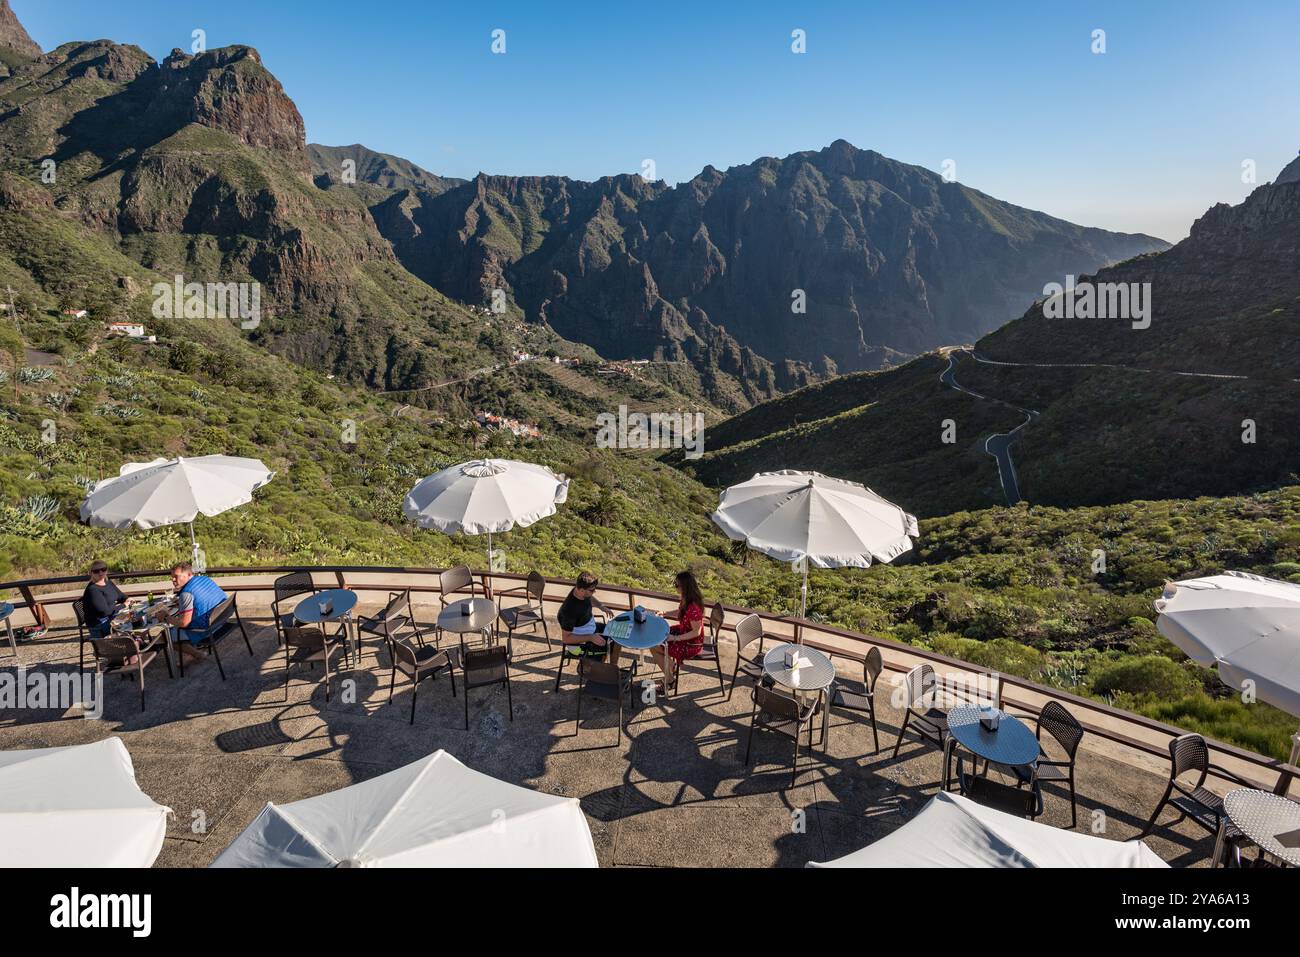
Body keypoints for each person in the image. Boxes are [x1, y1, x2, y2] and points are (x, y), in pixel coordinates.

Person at [157, 561, 229, 666]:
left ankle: (198, 654)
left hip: (208, 629)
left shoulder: (186, 593)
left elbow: (184, 623)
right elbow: (205, 597)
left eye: (176, 576)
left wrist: (166, 617)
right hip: (222, 619)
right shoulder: (204, 579)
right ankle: (192, 652)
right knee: (179, 627)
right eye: (172, 577)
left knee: (165, 636)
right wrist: (183, 603)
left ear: (189, 574)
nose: (173, 580)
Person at [651, 571, 706, 692]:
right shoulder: (687, 598)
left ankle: (670, 680)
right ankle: (671, 666)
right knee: (655, 640)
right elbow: (680, 612)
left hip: (691, 643)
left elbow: (696, 632)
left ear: (685, 586)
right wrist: (665, 613)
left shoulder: (694, 607)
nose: (675, 587)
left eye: (677, 585)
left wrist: (674, 638)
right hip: (683, 632)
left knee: (655, 646)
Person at [558, 571, 612, 657]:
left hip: (590, 629)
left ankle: (606, 663)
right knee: (612, 646)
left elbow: (590, 598)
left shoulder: (579, 591)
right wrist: (591, 637)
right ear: (582, 590)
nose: (594, 592)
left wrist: (601, 606)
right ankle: (603, 667)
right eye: (592, 590)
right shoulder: (569, 611)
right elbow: (566, 639)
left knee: (616, 635)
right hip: (578, 647)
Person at [81, 560, 126, 639]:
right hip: (100, 624)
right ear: (91, 573)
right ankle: (136, 645)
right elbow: (105, 612)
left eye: (103, 569)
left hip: (111, 617)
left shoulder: (108, 582)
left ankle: (139, 644)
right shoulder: (93, 590)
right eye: (96, 571)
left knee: (137, 618)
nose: (100, 573)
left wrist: (128, 599)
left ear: (106, 570)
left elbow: (121, 596)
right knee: (130, 625)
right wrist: (124, 605)